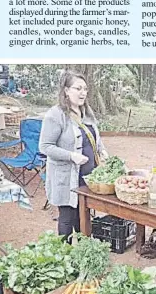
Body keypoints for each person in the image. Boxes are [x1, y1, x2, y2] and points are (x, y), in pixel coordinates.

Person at [40, 71, 108, 238]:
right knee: (67, 217)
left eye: (85, 89)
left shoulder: (87, 112)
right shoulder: (55, 115)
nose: (83, 93)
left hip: (87, 176)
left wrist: (102, 150)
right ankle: (65, 257)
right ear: (66, 90)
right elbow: (45, 146)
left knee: (83, 215)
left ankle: (83, 252)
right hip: (67, 177)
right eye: (78, 88)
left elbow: (93, 137)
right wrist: (71, 156)